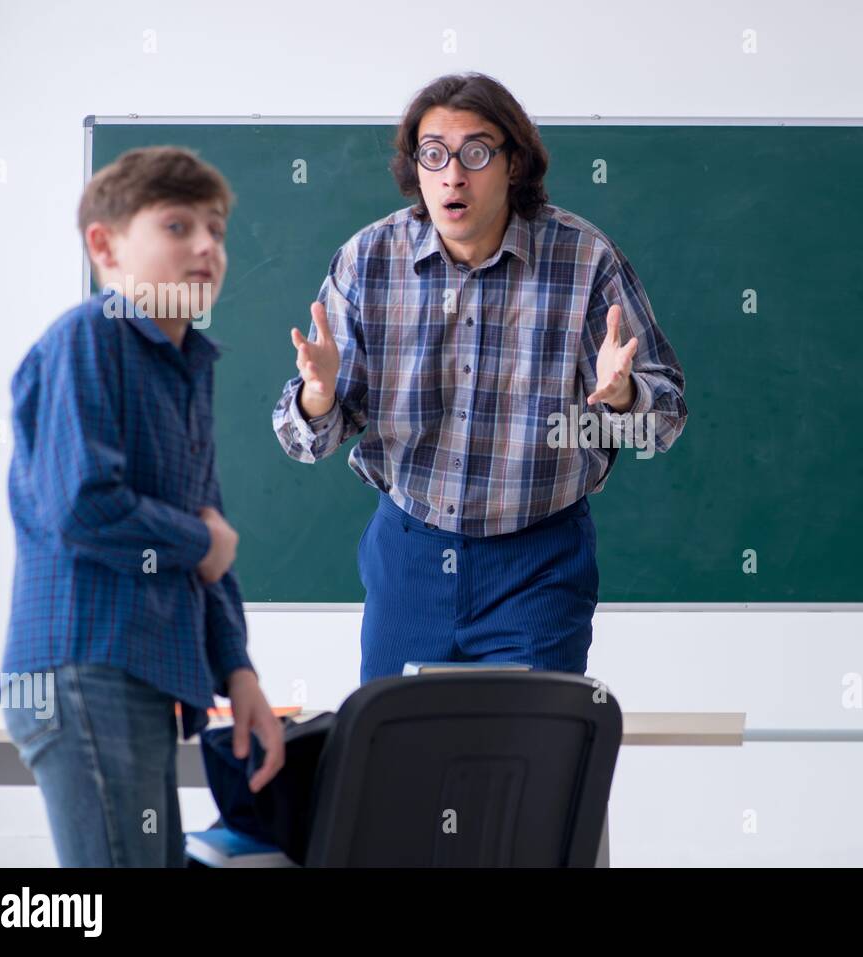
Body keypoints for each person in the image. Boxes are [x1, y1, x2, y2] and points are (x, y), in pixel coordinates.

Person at [273, 72, 689, 681]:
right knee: (394, 761)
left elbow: (665, 423)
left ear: (514, 163)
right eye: (433, 154)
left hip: (538, 562)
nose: (453, 175)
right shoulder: (369, 260)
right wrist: (318, 395)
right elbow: (302, 438)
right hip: (410, 557)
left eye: (476, 152)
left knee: (530, 762)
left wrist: (624, 397)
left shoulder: (584, 260)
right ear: (416, 167)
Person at [1, 146, 285, 867]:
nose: (206, 247)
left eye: (216, 230)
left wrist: (239, 672)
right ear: (105, 245)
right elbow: (85, 505)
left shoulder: (187, 367)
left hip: (144, 674)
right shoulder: (87, 337)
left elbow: (208, 538)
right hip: (83, 664)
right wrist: (198, 540)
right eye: (177, 226)